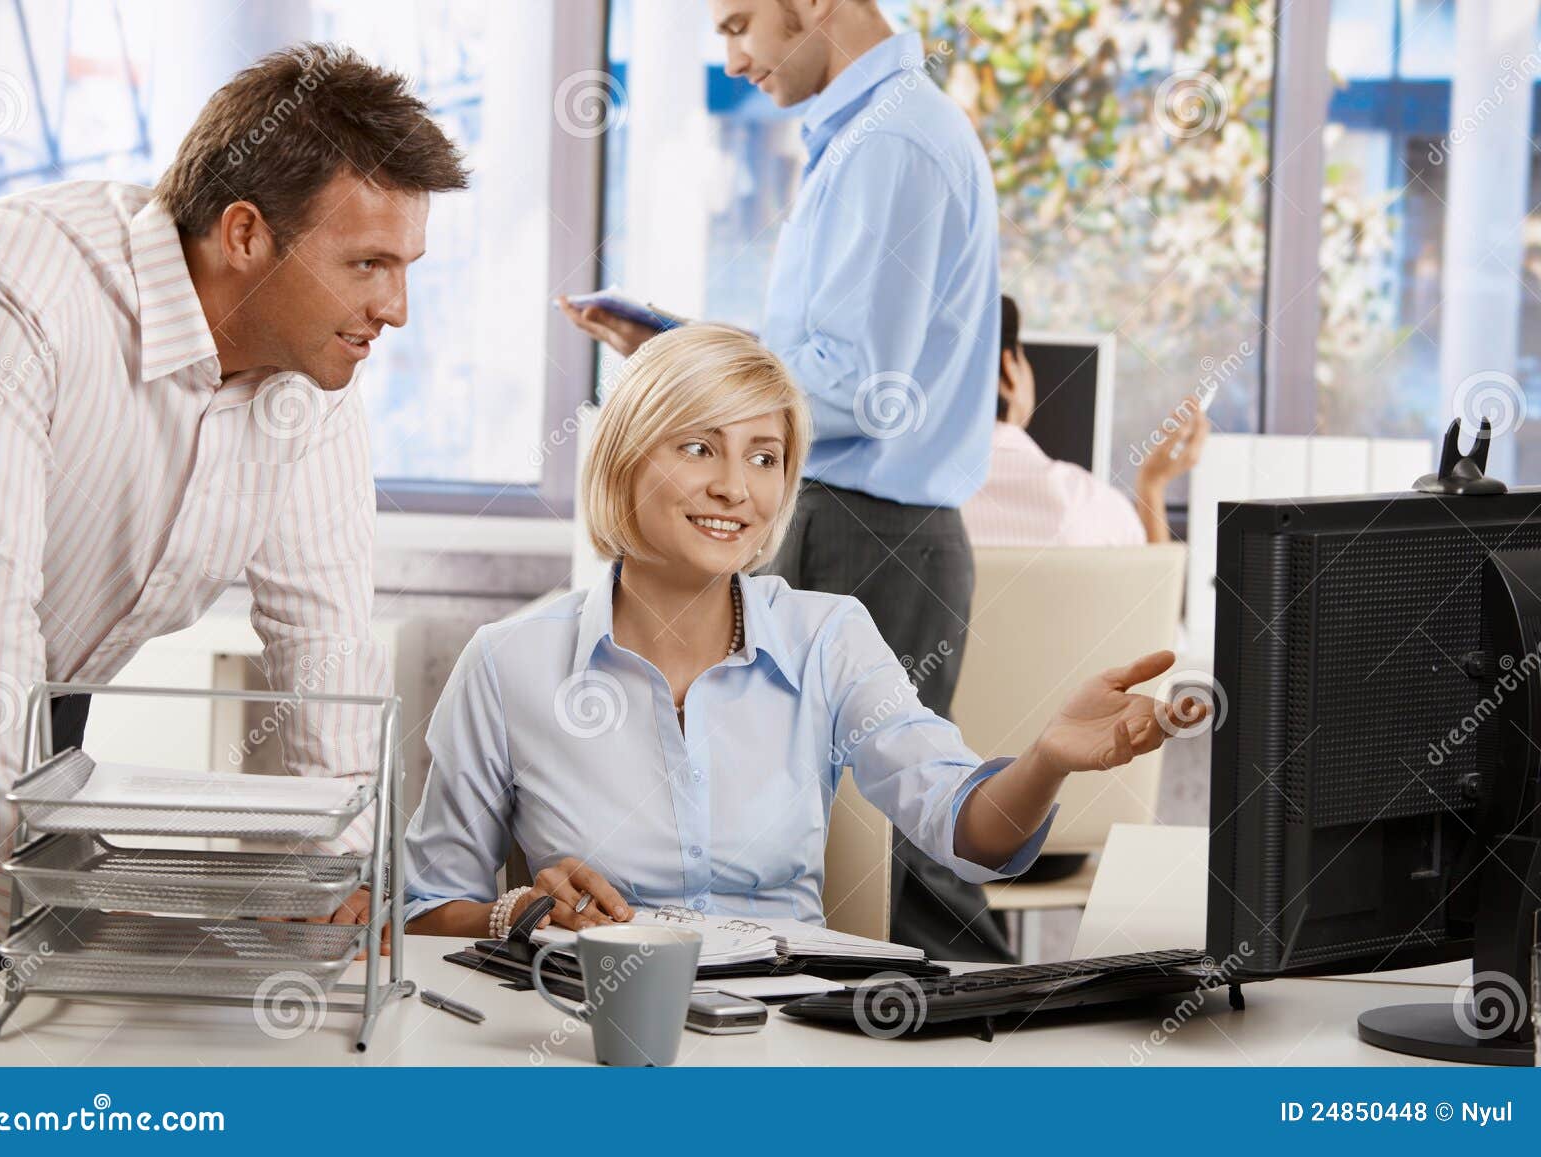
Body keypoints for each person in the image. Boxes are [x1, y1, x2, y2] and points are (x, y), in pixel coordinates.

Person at [0, 43, 467, 1004]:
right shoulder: (10, 295)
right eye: (367, 265)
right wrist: (103, 938)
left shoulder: (309, 367)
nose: (395, 309)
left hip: (35, 710)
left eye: (406, 266)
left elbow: (326, 653)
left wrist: (334, 892)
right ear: (243, 235)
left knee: (47, 1026)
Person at [400, 326, 1203, 940]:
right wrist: (519, 912)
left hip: (781, 1036)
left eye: (765, 457)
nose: (733, 487)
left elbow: (969, 832)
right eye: (697, 447)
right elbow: (424, 908)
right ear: (623, 461)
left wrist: (1046, 761)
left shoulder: (828, 635)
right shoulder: (508, 664)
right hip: (594, 1037)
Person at [561, 0, 1009, 961]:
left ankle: (1009, 1049)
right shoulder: (872, 133)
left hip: (867, 526)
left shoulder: (891, 143)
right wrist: (683, 349)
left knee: (897, 852)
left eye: (736, 24)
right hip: (863, 518)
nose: (730, 59)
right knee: (864, 848)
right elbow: (839, 364)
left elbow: (858, 388)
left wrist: (701, 367)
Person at [963, 297, 1210, 548]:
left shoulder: (929, 507)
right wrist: (1152, 485)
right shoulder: (1090, 507)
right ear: (1009, 368)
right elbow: (1154, 583)